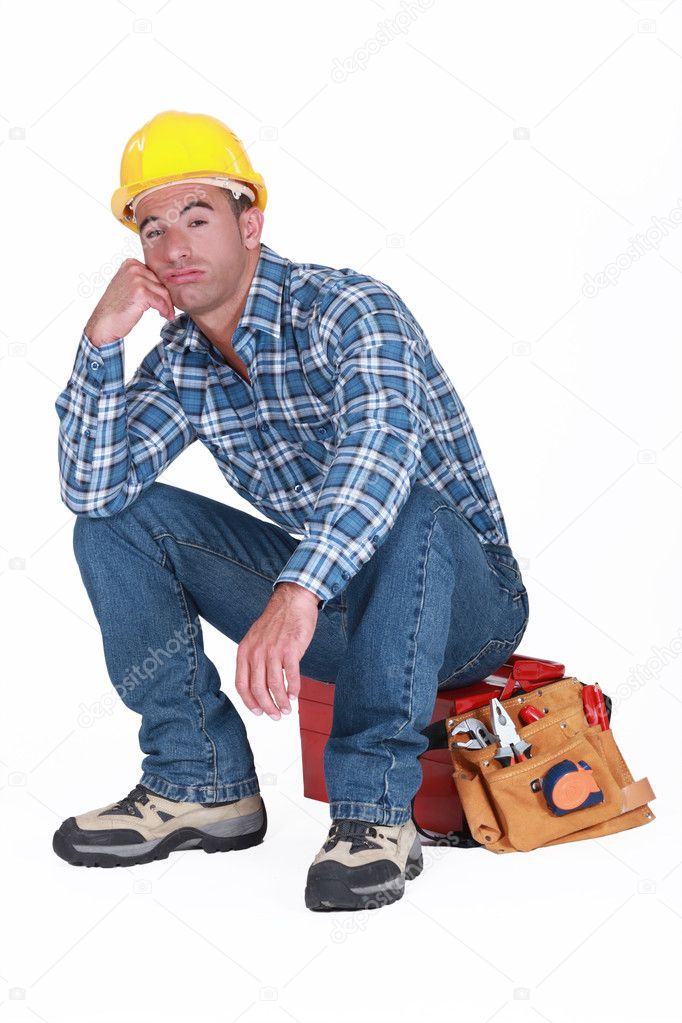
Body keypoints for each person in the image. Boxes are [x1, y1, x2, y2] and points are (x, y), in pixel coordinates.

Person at [52, 110, 529, 911]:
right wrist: (101, 343)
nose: (173, 248)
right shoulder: (181, 362)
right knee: (116, 523)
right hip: (340, 616)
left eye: (197, 218)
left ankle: (375, 814)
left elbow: (378, 456)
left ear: (251, 222)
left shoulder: (350, 309)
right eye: (153, 227)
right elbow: (94, 488)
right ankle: (200, 780)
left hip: (464, 609)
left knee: (409, 501)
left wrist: (296, 589)